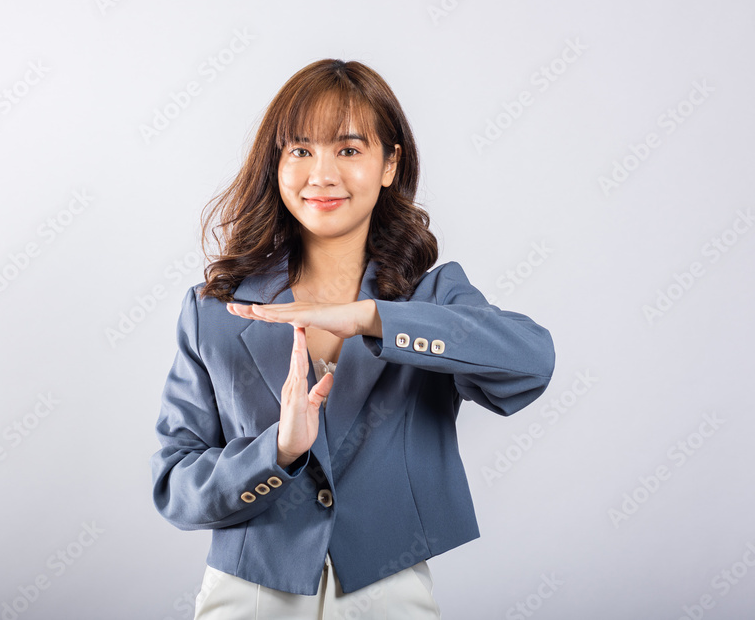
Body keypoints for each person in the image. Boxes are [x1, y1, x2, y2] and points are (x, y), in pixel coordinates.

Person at [150, 59, 555, 619]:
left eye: (348, 149)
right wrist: (277, 452)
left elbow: (530, 361)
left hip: (388, 593)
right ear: (277, 163)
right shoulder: (214, 310)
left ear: (390, 163)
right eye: (300, 150)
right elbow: (175, 485)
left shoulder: (428, 298)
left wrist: (373, 318)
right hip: (251, 592)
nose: (322, 174)